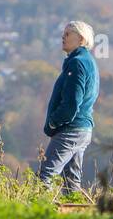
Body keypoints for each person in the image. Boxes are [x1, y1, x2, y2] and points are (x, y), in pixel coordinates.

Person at [38, 20, 99, 193]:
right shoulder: (88, 61)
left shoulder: (77, 63)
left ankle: (38, 215)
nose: (62, 37)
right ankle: (76, 215)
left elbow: (71, 104)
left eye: (67, 34)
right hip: (83, 129)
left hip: (71, 129)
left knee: (45, 176)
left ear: (80, 39)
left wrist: (53, 122)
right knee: (71, 182)